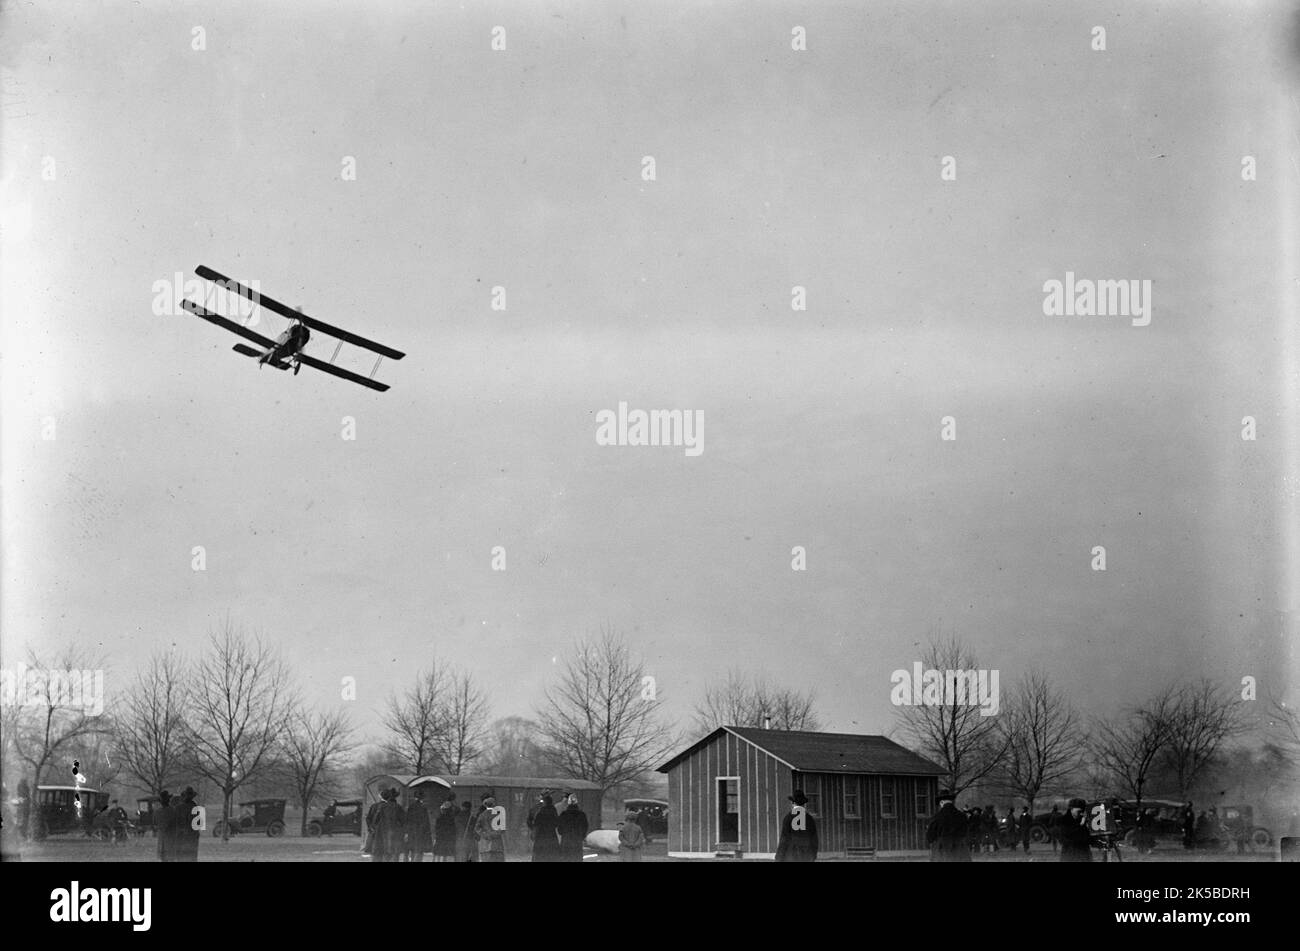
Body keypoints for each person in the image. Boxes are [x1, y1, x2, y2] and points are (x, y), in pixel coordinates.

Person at [775, 789, 819, 862]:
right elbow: (814, 840)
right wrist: (813, 855)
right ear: (803, 804)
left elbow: (784, 840)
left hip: (791, 856)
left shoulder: (788, 818)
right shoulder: (810, 819)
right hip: (806, 856)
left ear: (793, 803)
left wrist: (779, 857)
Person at [926, 789, 969, 862]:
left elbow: (930, 836)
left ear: (941, 802)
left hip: (942, 849)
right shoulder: (962, 816)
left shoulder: (937, 817)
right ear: (951, 801)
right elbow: (966, 832)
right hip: (959, 848)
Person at [371, 787, 405, 863]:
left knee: (382, 853)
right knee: (393, 854)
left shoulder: (381, 807)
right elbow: (403, 821)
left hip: (382, 833)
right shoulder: (398, 807)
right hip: (394, 834)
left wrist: (375, 829)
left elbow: (375, 821)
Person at [1056, 798, 1092, 862]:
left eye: (1083, 811)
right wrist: (1081, 825)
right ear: (1071, 809)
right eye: (1079, 811)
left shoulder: (1083, 820)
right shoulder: (1063, 820)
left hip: (1084, 855)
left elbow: (1088, 839)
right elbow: (1065, 838)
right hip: (1069, 855)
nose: (1081, 814)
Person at [556, 793, 589, 862]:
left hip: (566, 841)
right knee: (577, 858)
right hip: (577, 841)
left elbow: (560, 829)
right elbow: (585, 827)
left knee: (565, 858)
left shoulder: (564, 815)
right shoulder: (582, 815)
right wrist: (581, 836)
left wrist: (563, 834)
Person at [529, 793, 561, 862]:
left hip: (541, 838)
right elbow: (556, 823)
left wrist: (533, 833)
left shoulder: (540, 812)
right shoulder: (553, 810)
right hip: (551, 837)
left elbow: (536, 824)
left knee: (540, 857)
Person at [475, 796, 506, 862]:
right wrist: (494, 834)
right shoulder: (498, 815)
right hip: (497, 845)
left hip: (485, 845)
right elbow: (502, 829)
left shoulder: (482, 815)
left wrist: (484, 834)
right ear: (494, 804)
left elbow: (477, 828)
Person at [404, 789, 431, 862]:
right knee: (418, 852)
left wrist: (406, 832)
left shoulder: (411, 807)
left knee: (412, 850)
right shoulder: (423, 808)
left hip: (411, 832)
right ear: (422, 798)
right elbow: (426, 823)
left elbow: (407, 820)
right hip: (420, 833)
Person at [176, 787, 200, 862]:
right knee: (191, 857)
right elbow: (198, 824)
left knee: (181, 857)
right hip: (192, 837)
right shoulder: (195, 808)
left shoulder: (178, 808)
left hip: (181, 836)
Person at [155, 790, 174, 862]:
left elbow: (155, 823)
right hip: (170, 838)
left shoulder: (157, 812)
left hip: (161, 838)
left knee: (163, 859)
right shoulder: (172, 810)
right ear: (169, 800)